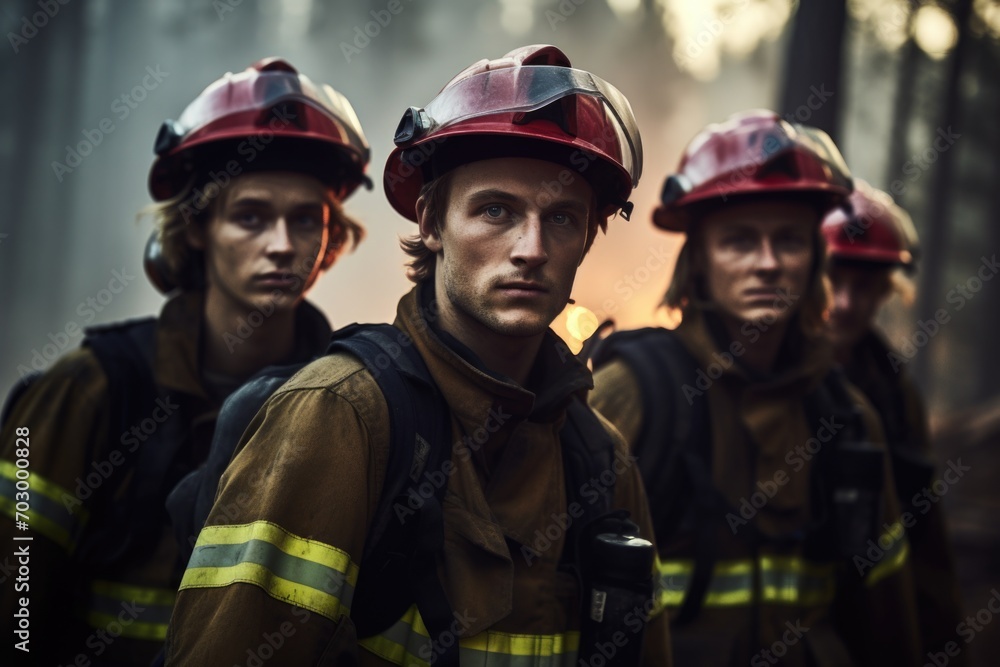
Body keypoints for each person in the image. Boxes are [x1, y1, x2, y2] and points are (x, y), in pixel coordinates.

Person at [165, 45, 673, 665]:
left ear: (589, 238)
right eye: (495, 210)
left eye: (562, 217)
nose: (531, 248)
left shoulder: (602, 460)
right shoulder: (338, 415)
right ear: (432, 222)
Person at [0, 57, 370, 666]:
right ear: (198, 227)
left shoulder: (349, 405)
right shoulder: (91, 387)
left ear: (330, 237)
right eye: (250, 216)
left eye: (305, 219)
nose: (281, 244)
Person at [589, 110, 922, 665]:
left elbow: (889, 617)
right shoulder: (631, 393)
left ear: (816, 259)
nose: (767, 265)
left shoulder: (848, 418)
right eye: (739, 241)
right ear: (698, 261)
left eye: (789, 240)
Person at [822, 180, 966, 664]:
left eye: (863, 287)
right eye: (832, 279)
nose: (844, 302)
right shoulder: (756, 376)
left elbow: (924, 542)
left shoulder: (892, 391)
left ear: (888, 290)